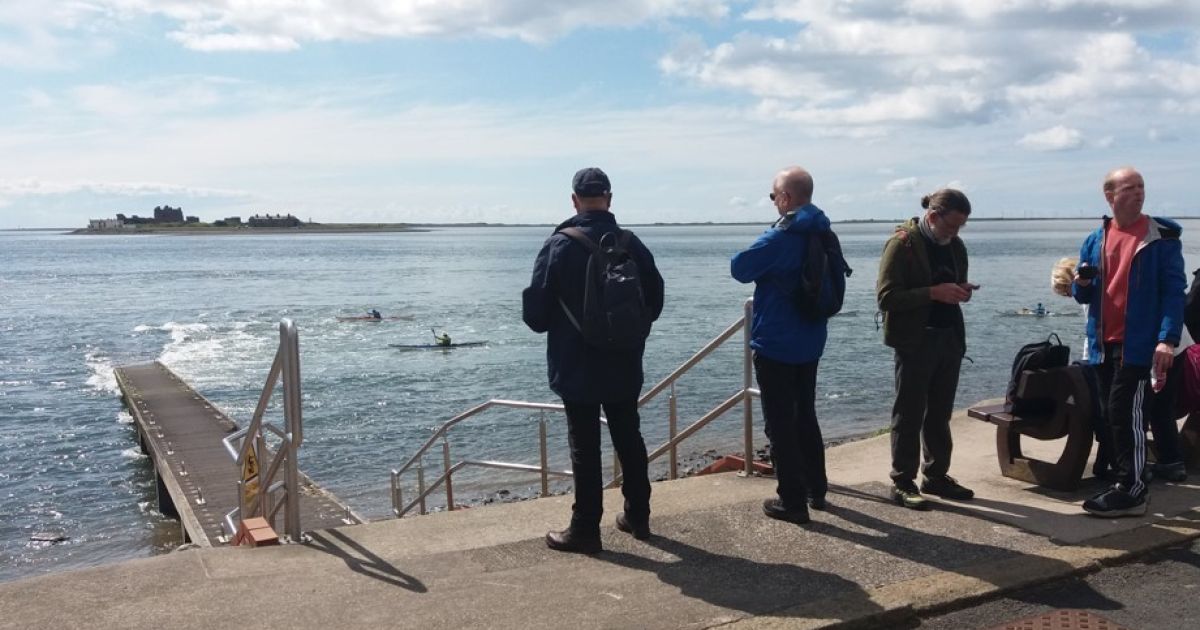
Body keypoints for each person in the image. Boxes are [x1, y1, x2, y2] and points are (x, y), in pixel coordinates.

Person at [521, 167, 665, 554]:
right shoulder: (632, 243)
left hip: (576, 363)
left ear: (574, 200)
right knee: (628, 436)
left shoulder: (559, 245)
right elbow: (655, 301)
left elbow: (535, 317)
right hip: (624, 359)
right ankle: (638, 515)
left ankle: (585, 528)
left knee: (584, 445)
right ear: (610, 199)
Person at [1072, 166, 1186, 517]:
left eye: (1141, 187)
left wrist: (1167, 340)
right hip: (1103, 342)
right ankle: (1127, 478)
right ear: (1110, 196)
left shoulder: (1161, 238)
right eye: (1130, 187)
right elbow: (1081, 296)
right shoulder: (1096, 238)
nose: (1138, 193)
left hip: (1141, 344)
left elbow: (1173, 294)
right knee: (1111, 413)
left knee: (1128, 413)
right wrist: (1083, 283)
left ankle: (1132, 489)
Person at [730, 166, 831, 524]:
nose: (773, 202)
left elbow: (740, 267)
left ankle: (791, 500)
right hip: (811, 339)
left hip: (776, 342)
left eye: (774, 196)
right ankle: (816, 489)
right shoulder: (823, 230)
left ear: (785, 198)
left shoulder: (781, 237)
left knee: (780, 423)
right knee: (806, 413)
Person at [877, 189, 977, 510]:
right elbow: (887, 298)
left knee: (940, 413)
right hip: (915, 342)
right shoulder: (901, 244)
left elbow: (952, 286)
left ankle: (935, 476)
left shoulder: (956, 247)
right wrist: (933, 293)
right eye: (951, 226)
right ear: (933, 217)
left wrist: (961, 292)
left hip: (948, 338)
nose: (955, 233)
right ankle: (902, 481)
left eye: (961, 227)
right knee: (908, 413)